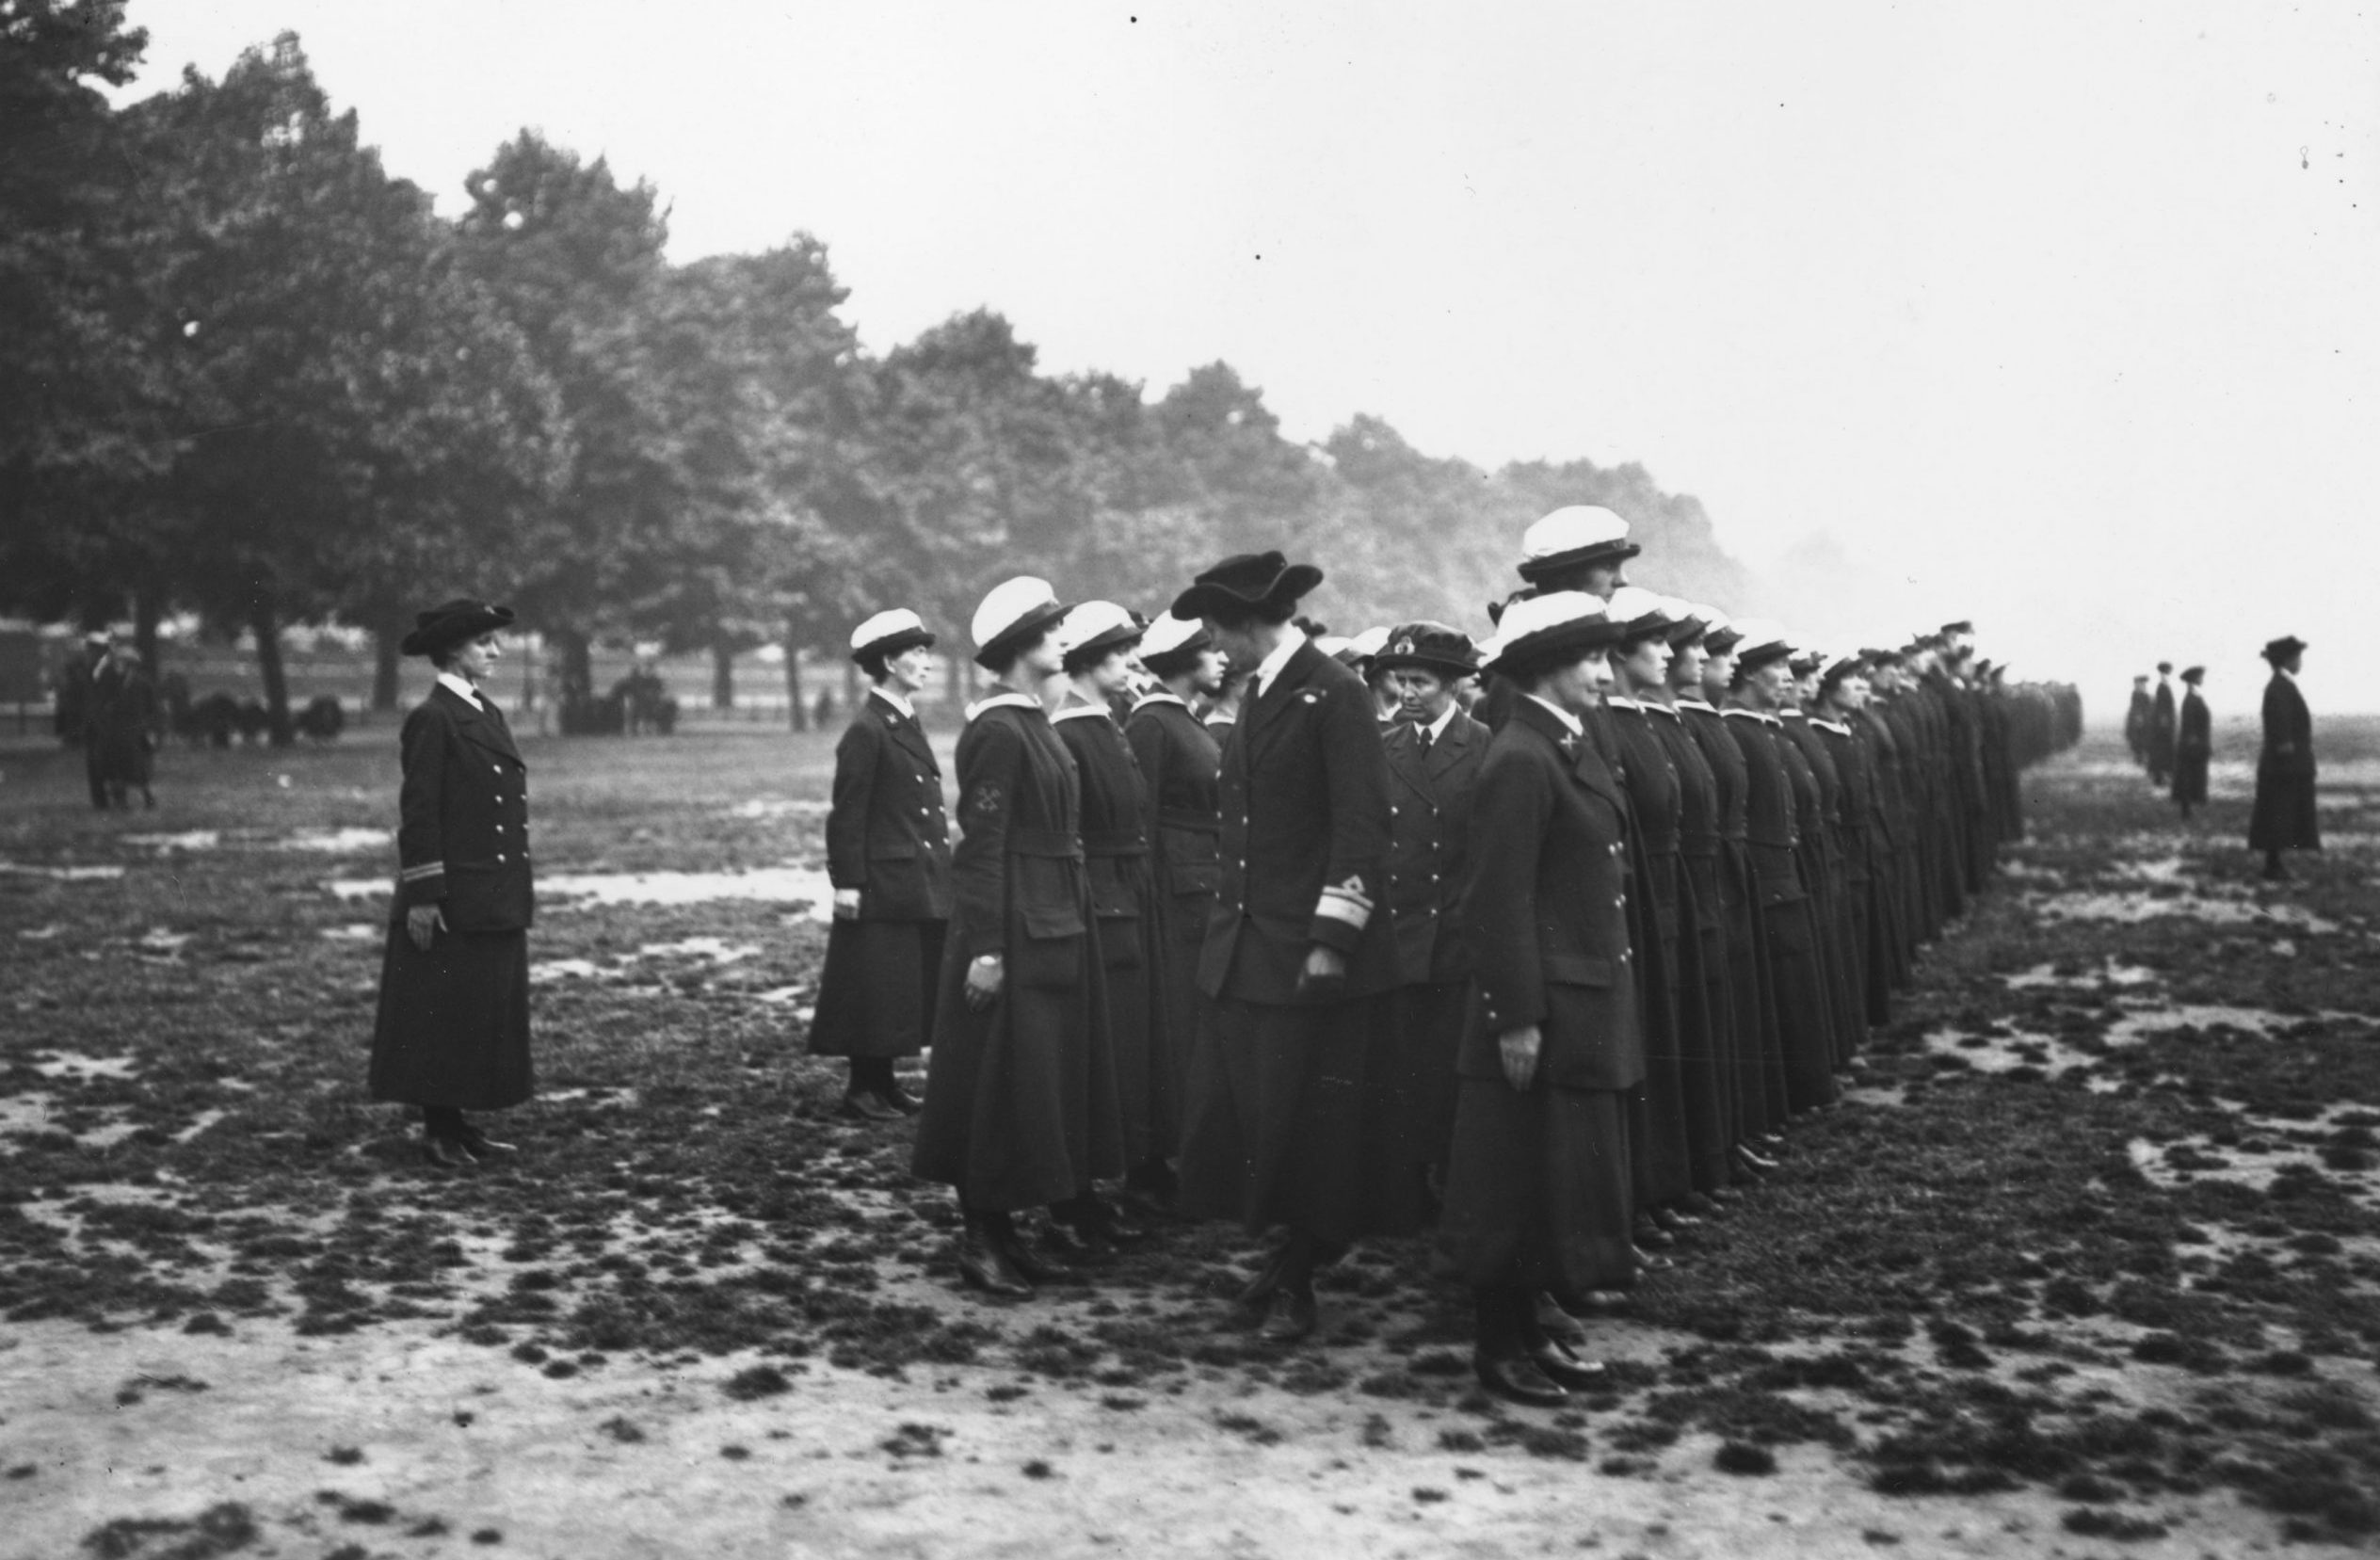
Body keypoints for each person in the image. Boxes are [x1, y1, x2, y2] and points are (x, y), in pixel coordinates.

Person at [1171, 550, 1407, 1343]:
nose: (1213, 646)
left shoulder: (1332, 693)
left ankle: (1297, 1281)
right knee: (1258, 1118)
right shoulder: (1264, 692)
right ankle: (1286, 1260)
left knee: (1309, 1126)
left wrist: (1333, 939)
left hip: (1307, 955)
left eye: (1216, 629)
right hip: (1247, 949)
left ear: (1248, 624)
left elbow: (1364, 825)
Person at [1438, 591, 1637, 1408]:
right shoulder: (1521, 755)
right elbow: (1498, 898)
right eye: (1589, 657)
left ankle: (1527, 1332)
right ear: (1546, 666)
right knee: (1510, 1183)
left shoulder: (1557, 745)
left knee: (1543, 1183)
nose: (1604, 670)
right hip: (1534, 1012)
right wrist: (1516, 1016)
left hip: (1572, 1001)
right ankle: (1498, 1345)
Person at [912, 578, 1124, 1296]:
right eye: (1054, 630)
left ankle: (1004, 1235)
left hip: (1054, 922)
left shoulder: (1033, 721)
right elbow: (981, 851)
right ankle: (979, 1239)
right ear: (1022, 646)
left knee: (1029, 1083)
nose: (1066, 640)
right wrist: (987, 950)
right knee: (994, 1086)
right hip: (1014, 934)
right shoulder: (998, 731)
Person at [368, 599, 536, 1167]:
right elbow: (420, 814)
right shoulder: (433, 717)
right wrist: (423, 895)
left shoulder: (482, 710)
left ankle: (458, 1123)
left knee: (473, 1010)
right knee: (442, 1010)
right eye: (485, 642)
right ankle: (438, 1129)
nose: (497, 650)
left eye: (496, 640)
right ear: (453, 651)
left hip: (489, 892)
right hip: (453, 896)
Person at [1049, 602, 1167, 1233]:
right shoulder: (1071, 730)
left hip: (1127, 899)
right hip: (1100, 907)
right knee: (1097, 1057)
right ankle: (1074, 1197)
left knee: (1121, 1053)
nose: (1132, 663)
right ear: (1091, 662)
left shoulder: (1105, 723)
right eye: (1121, 654)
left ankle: (1099, 1185)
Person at [809, 609, 950, 1121]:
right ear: (889, 661)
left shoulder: (900, 719)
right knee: (874, 983)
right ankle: (862, 1089)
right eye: (915, 653)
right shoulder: (869, 729)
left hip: (909, 878)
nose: (925, 662)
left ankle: (883, 1084)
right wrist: (848, 882)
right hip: (880, 883)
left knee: (894, 985)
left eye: (925, 651)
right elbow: (848, 813)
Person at [1374, 621, 1488, 1208]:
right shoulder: (1382, 745)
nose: (1407, 693)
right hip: (1397, 933)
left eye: (1420, 681)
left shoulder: (1485, 746)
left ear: (1454, 684)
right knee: (1402, 1063)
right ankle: (1404, 1179)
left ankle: (1448, 1176)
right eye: (1400, 681)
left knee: (1449, 1067)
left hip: (1456, 937)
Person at [1124, 613, 1228, 1212]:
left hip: (1198, 888)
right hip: (1170, 894)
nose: (1221, 662)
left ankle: (1174, 1157)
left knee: (1191, 1028)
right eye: (1210, 653)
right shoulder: (1152, 724)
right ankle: (1149, 1166)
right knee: (1171, 1027)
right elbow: (1145, 819)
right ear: (1185, 660)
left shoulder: (1182, 719)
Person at [2248, 636, 2317, 879]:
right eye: (2298, 657)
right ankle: (2273, 865)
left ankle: (2274, 863)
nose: (2301, 663)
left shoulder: (2282, 684)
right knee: (2278, 813)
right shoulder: (2279, 686)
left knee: (2280, 813)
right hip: (2283, 765)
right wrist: (2287, 749)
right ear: (2288, 660)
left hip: (2283, 763)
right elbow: (2280, 725)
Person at [85, 631, 161, 811]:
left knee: (140, 769)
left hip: (136, 730)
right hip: (115, 731)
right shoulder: (111, 681)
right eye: (119, 662)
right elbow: (101, 704)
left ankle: (148, 797)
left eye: (124, 663)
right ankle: (121, 800)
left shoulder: (143, 683)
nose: (120, 666)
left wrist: (151, 728)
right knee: (115, 767)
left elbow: (153, 709)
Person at [2171, 666, 2211, 821]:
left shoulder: (2193, 697)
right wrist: (2194, 742)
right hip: (2191, 745)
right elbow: (2189, 724)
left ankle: (2188, 808)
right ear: (2194, 680)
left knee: (2191, 775)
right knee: (2187, 777)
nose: (2202, 679)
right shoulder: (2190, 699)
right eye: (2200, 677)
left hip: (2195, 743)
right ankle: (2186, 810)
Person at [2147, 662, 2178, 787]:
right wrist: (2164, 723)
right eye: (2163, 674)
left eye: (2167, 674)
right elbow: (2161, 709)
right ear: (2161, 674)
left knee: (2165, 752)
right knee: (2162, 752)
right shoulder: (2161, 687)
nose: (2165, 676)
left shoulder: (2166, 687)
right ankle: (2160, 778)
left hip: (2167, 726)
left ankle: (2163, 776)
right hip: (2163, 727)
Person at [2124, 675, 2153, 768]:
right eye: (2139, 684)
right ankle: (2139, 761)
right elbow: (2135, 712)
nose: (2141, 686)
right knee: (2138, 746)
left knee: (2143, 746)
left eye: (2142, 684)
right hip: (2137, 727)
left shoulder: (2145, 697)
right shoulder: (2136, 697)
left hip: (2145, 727)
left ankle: (2142, 761)